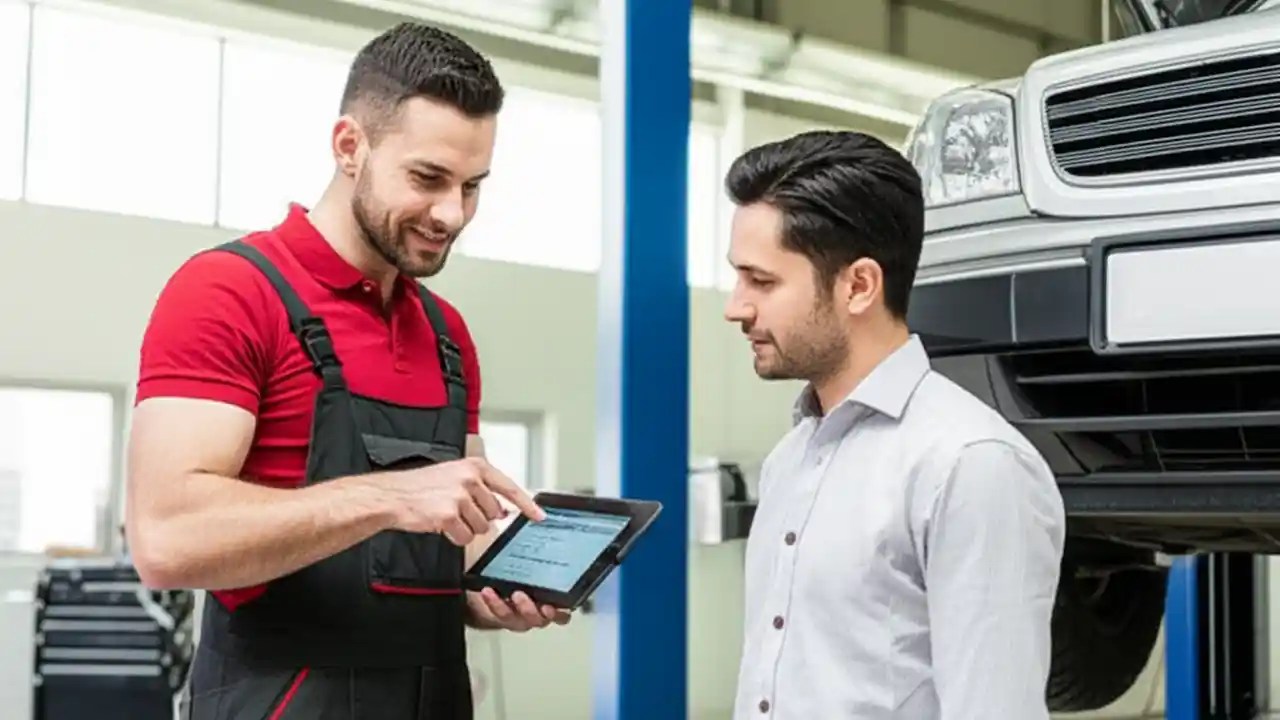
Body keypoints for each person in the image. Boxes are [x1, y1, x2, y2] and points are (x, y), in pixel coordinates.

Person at [125, 22, 569, 720]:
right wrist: (390, 498)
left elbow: (457, 543)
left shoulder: (448, 335)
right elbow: (164, 540)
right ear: (349, 147)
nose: (451, 213)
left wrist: (500, 590)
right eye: (428, 178)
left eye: (472, 186)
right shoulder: (228, 293)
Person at [723, 130, 1066, 719]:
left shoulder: (970, 464)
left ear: (859, 285)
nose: (736, 306)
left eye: (763, 281)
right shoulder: (790, 459)